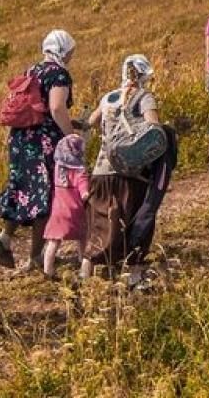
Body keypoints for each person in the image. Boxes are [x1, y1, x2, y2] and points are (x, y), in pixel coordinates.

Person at [0, 30, 76, 273]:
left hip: (21, 138)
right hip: (44, 141)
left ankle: (5, 236)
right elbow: (57, 108)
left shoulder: (32, 70)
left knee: (21, 185)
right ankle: (36, 256)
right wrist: (71, 135)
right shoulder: (59, 74)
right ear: (63, 50)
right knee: (44, 193)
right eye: (70, 51)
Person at [82, 54, 160, 286]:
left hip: (102, 168)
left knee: (100, 219)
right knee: (133, 219)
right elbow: (154, 128)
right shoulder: (144, 97)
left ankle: (85, 273)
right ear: (143, 75)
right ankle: (134, 275)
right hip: (130, 170)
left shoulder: (108, 98)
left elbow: (91, 121)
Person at [39, 133, 88, 280]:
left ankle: (48, 270)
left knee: (54, 240)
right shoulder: (80, 171)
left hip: (58, 209)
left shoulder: (58, 169)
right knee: (82, 237)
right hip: (75, 210)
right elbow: (84, 192)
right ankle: (82, 263)